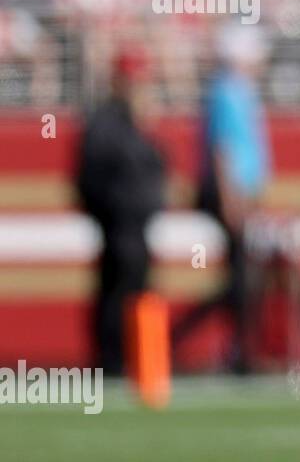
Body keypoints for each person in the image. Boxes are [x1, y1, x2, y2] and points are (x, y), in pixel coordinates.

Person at [171, 26, 272, 373]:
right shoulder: (227, 92)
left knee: (243, 275)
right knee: (242, 276)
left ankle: (238, 348)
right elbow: (224, 149)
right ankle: (238, 351)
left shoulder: (238, 92)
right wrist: (233, 199)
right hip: (230, 195)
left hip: (239, 193)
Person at [75, 49, 167, 375]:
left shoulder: (136, 122)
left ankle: (133, 360)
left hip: (137, 226)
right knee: (118, 293)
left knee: (136, 292)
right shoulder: (106, 123)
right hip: (119, 225)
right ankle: (112, 361)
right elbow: (91, 178)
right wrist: (110, 215)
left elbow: (157, 168)